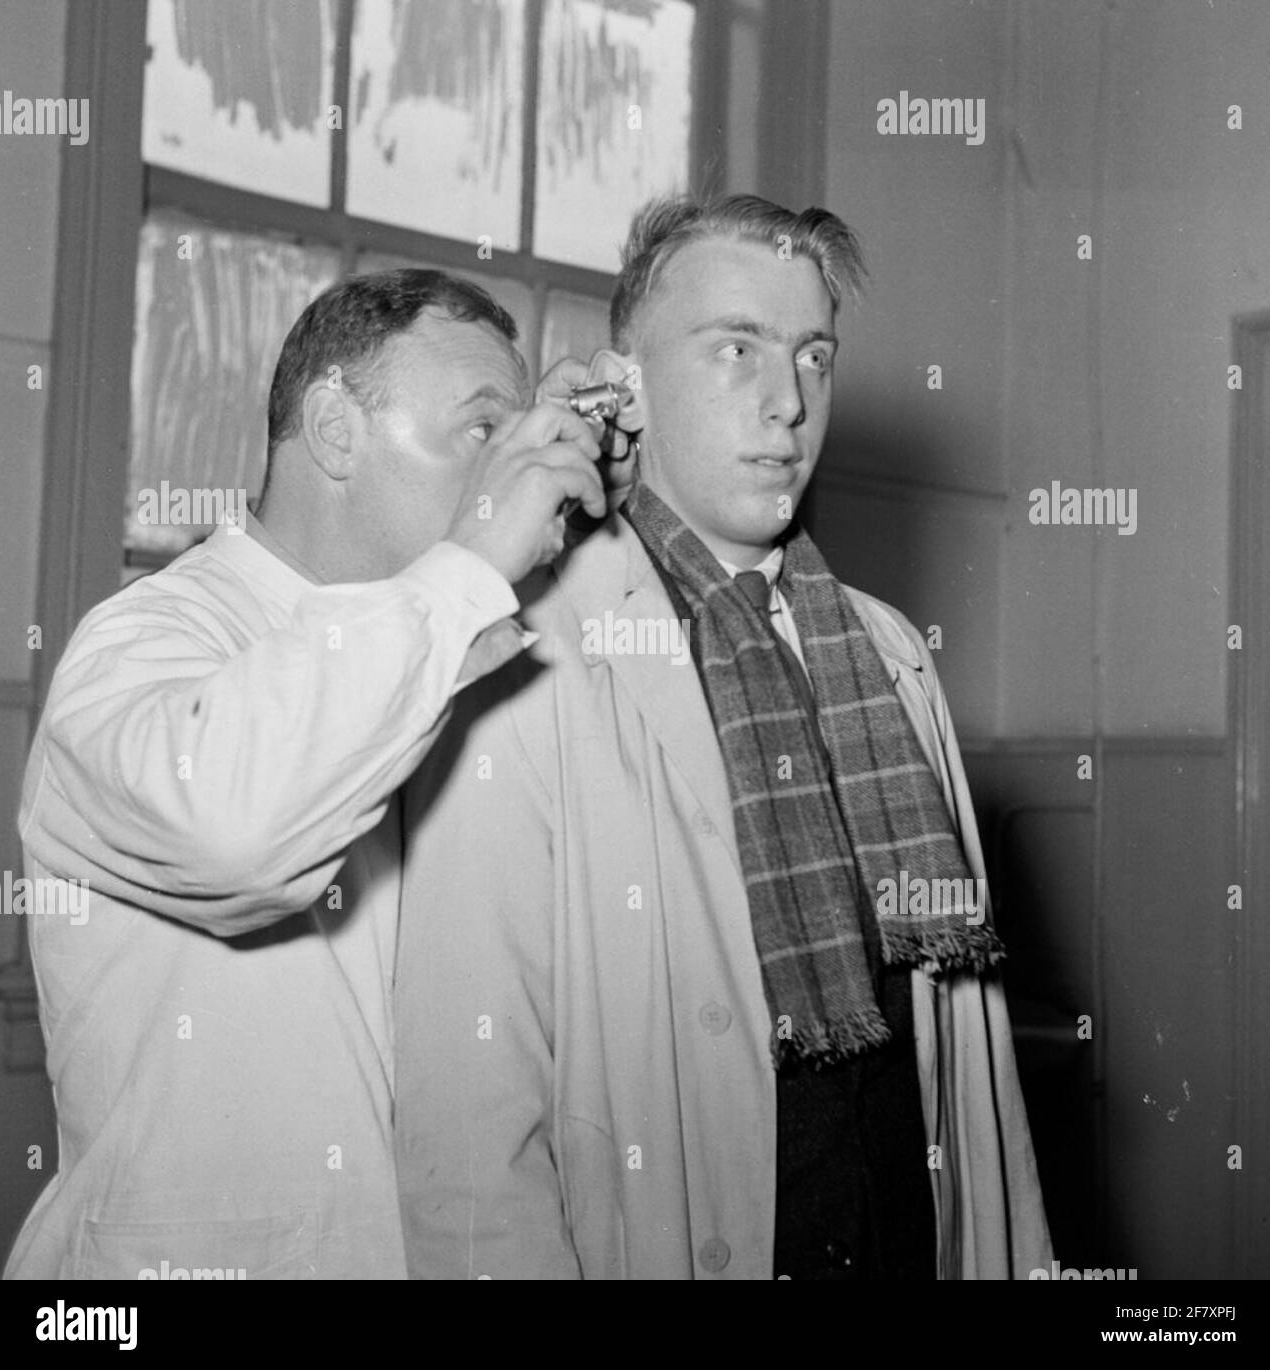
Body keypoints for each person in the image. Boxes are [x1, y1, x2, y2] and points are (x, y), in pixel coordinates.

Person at [393, 195, 1055, 1279]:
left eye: (812, 354)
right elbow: (469, 1114)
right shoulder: (527, 653)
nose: (786, 400)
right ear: (626, 387)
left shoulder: (888, 653)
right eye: (733, 348)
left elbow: (971, 1083)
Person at [5, 268, 616, 1279]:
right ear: (334, 429)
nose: (505, 473)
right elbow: (236, 830)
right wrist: (470, 563)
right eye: (479, 431)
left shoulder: (455, 641)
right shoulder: (138, 644)